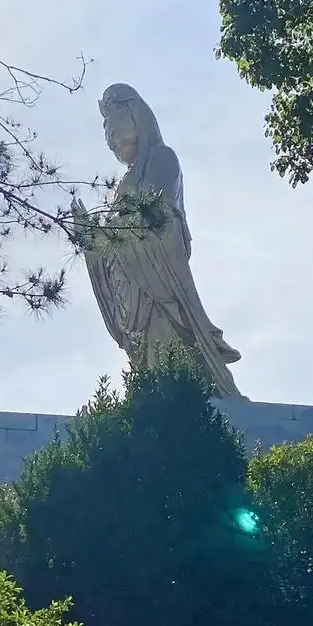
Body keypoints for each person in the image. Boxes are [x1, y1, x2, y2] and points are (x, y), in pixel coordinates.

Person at [72, 83, 244, 399]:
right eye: (105, 132)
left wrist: (114, 232)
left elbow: (159, 218)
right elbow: (116, 237)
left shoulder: (163, 159)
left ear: (137, 119)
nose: (109, 138)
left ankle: (189, 402)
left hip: (158, 283)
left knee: (173, 359)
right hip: (131, 293)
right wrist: (90, 237)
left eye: (113, 126)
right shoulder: (123, 182)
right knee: (147, 362)